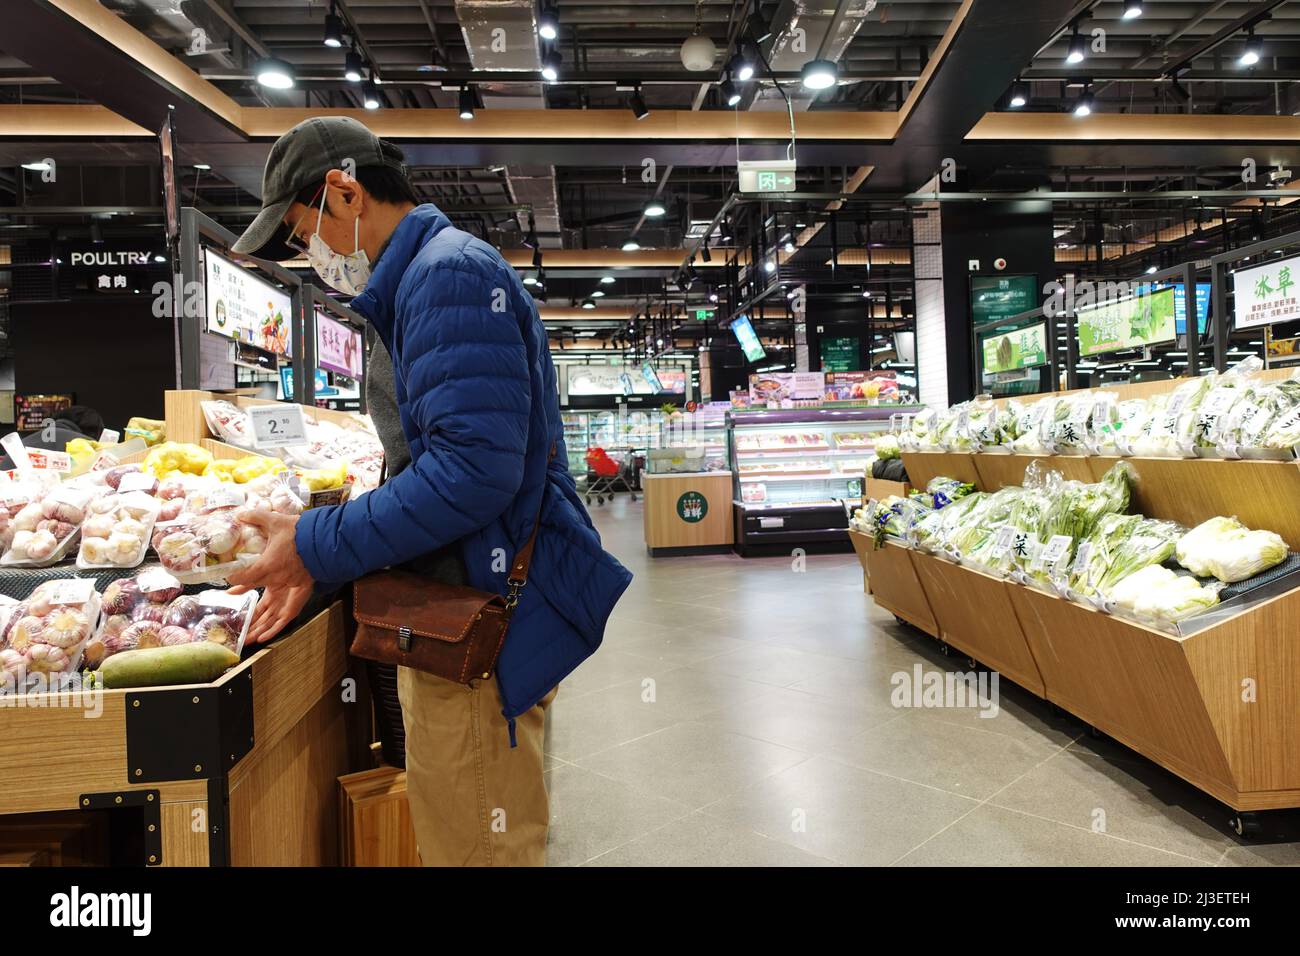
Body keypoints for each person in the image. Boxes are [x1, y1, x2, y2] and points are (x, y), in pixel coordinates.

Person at [227, 116, 632, 866]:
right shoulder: (425, 276)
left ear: (343, 195)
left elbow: (472, 473)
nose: (306, 254)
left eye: (297, 232)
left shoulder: (446, 275)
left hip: (471, 619)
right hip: (462, 606)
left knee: (474, 843)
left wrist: (316, 542)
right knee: (474, 828)